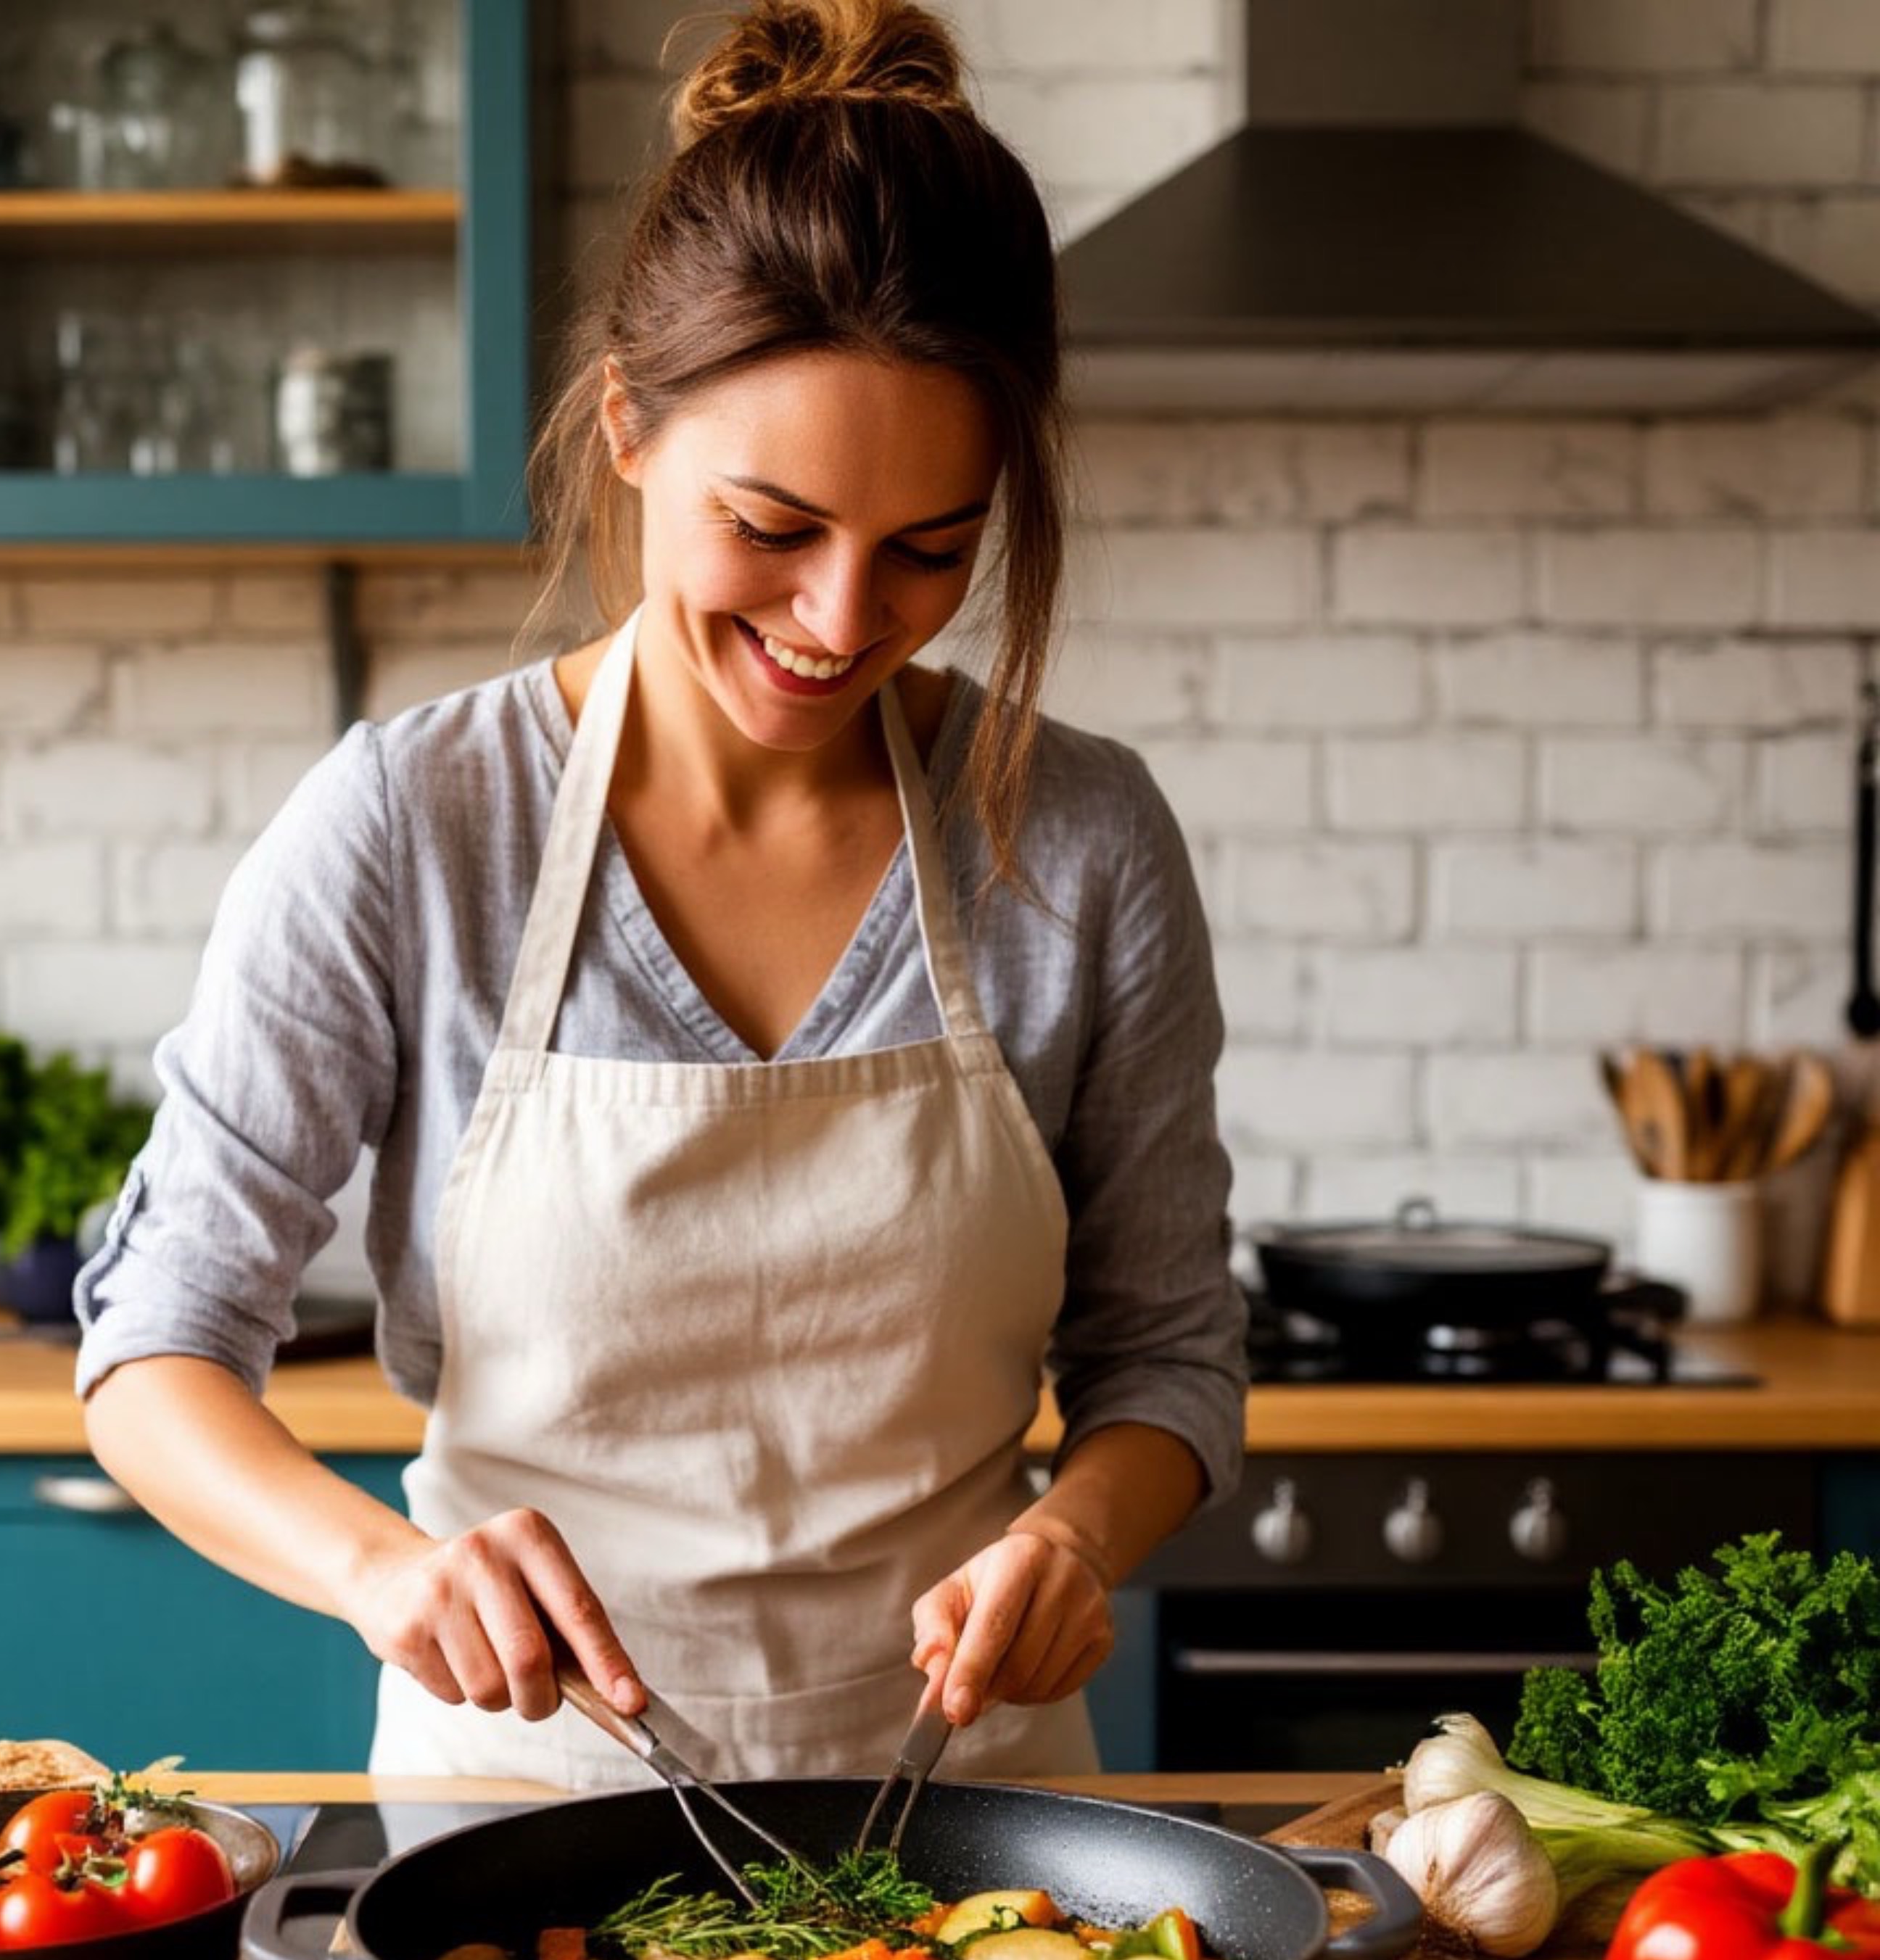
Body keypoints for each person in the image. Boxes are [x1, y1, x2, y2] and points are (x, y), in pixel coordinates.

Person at [75, 0, 1245, 1790]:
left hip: (986, 1831)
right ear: (627, 424)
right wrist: (385, 1572)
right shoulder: (410, 826)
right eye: (772, 527)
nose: (844, 618)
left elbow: (1166, 1357)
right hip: (513, 1821)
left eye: (933, 549)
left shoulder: (1078, 840)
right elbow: (157, 1346)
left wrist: (1077, 1538)